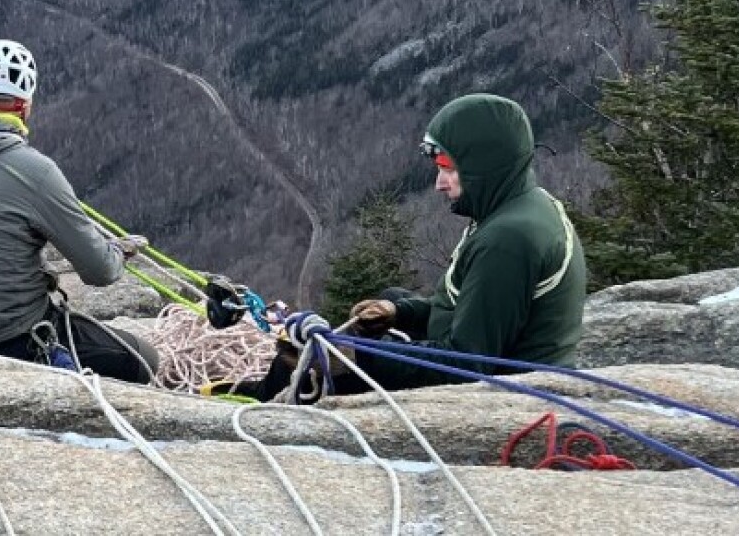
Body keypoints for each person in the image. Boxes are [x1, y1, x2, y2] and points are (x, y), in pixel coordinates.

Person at [244, 92, 585, 400]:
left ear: (483, 166)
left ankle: (257, 404)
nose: (438, 183)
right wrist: (400, 313)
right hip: (496, 363)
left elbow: (468, 366)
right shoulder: (519, 205)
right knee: (392, 298)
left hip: (507, 393)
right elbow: (459, 307)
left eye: (447, 168)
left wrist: (358, 358)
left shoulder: (508, 241)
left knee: (298, 370)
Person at [0, 39, 159, 384]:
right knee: (143, 360)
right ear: (25, 107)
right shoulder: (36, 171)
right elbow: (100, 271)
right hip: (15, 338)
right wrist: (117, 251)